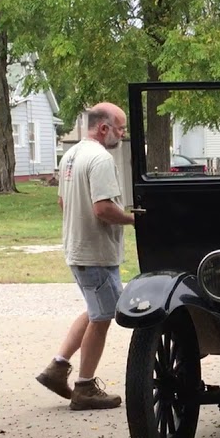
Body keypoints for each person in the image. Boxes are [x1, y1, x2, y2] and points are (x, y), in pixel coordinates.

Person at [36, 102, 136, 410]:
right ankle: (84, 387)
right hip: (95, 253)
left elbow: (63, 203)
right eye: (120, 128)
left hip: (77, 248)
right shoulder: (100, 158)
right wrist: (135, 219)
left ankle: (57, 368)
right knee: (104, 316)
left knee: (96, 310)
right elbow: (102, 208)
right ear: (104, 128)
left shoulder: (71, 155)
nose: (121, 134)